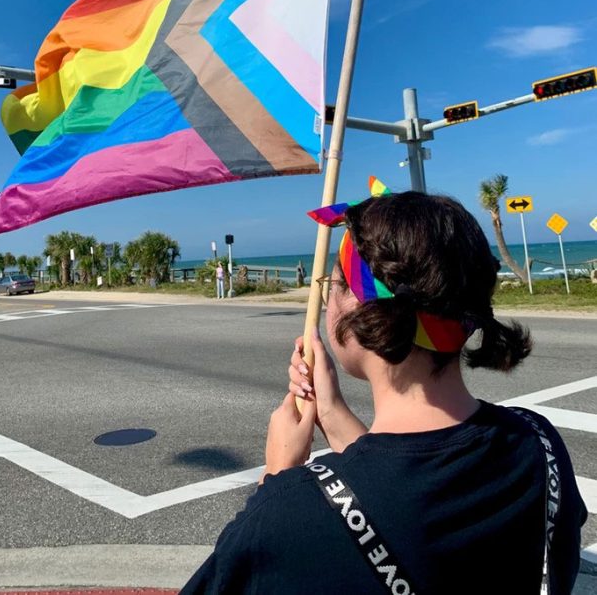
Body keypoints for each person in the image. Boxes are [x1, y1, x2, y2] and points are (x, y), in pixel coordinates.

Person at [181, 190, 586, 594]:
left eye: (334, 284)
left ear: (364, 311)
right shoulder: (540, 444)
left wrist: (277, 479)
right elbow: (407, 492)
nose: (327, 299)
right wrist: (333, 411)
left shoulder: (296, 512)